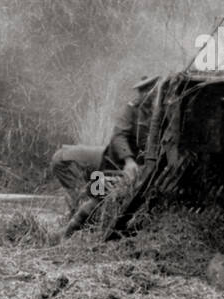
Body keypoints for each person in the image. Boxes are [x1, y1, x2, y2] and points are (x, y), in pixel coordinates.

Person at [51, 76, 160, 236]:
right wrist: (129, 161)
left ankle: (76, 231)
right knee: (98, 198)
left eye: (149, 90)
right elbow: (119, 135)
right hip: (115, 164)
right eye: (142, 90)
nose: (145, 94)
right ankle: (68, 234)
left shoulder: (160, 112)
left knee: (102, 200)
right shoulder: (132, 110)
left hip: (138, 169)